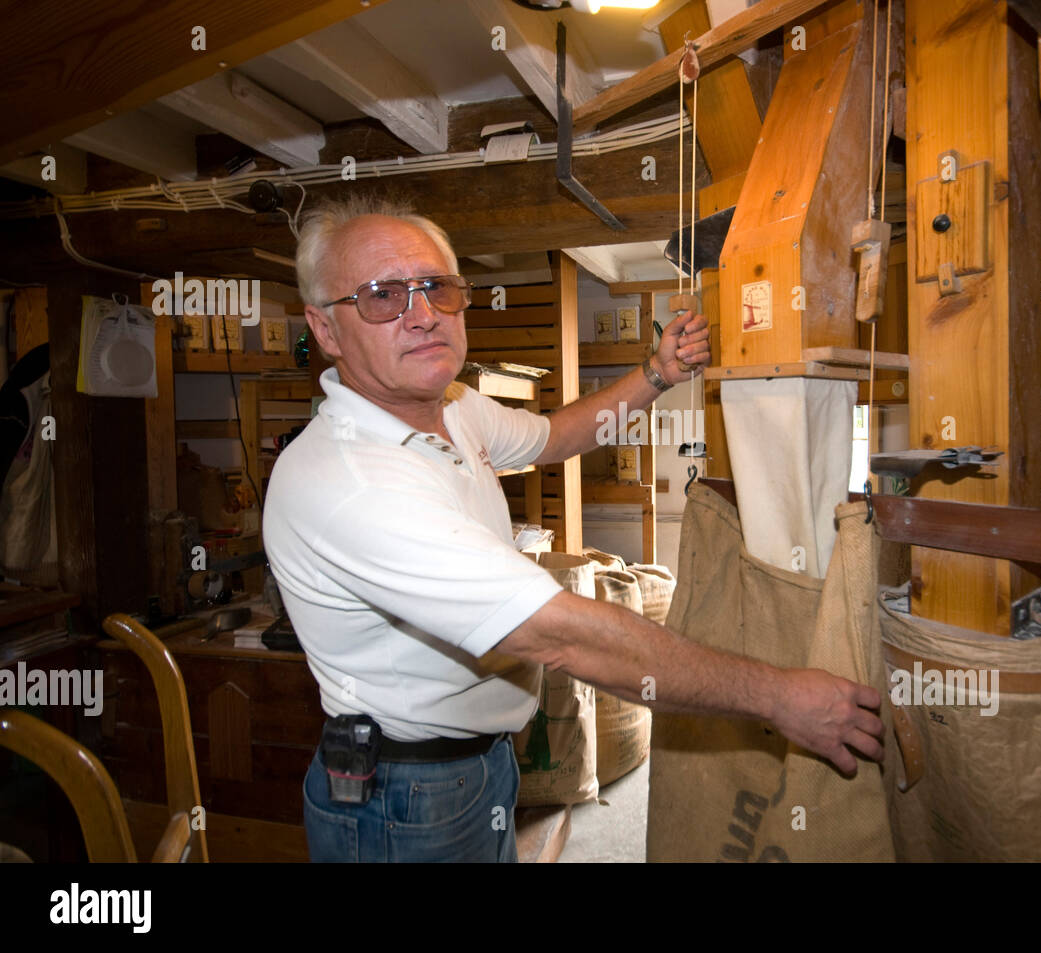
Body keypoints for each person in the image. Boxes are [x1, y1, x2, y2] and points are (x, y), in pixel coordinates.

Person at [262, 194, 885, 863]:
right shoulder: (348, 479)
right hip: (404, 795)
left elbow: (554, 435)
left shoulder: (456, 408)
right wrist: (781, 695)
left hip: (478, 765)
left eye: (436, 287)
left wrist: (656, 374)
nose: (422, 314)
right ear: (325, 329)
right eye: (382, 295)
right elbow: (558, 634)